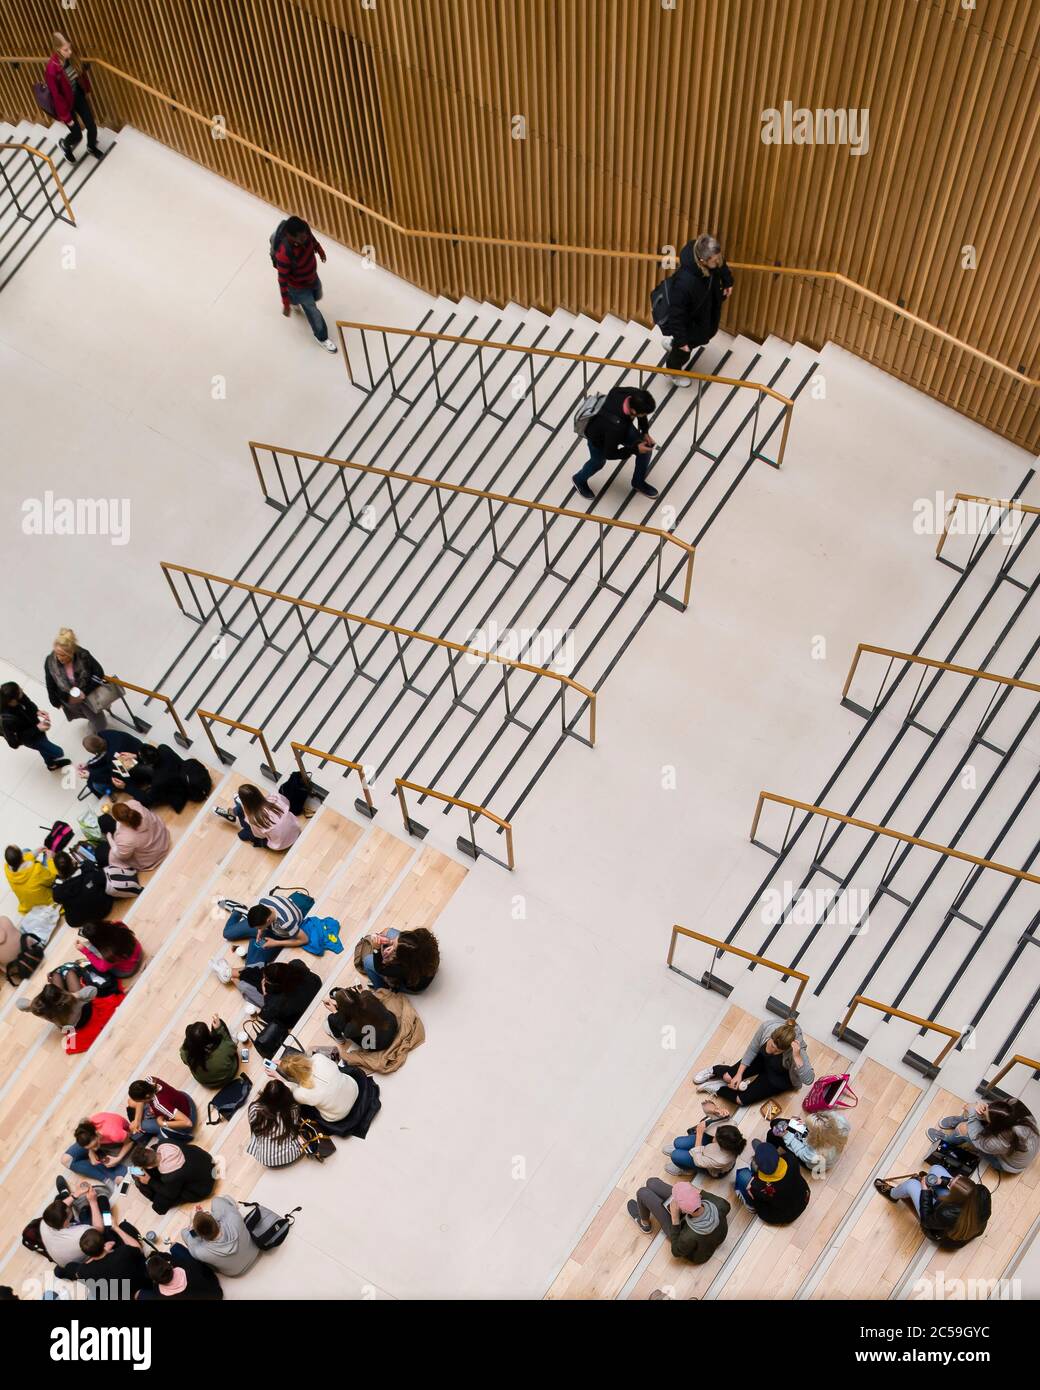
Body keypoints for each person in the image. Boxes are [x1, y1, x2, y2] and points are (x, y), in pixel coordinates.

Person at [659, 234, 734, 376]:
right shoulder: (684, 283)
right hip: (691, 323)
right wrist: (682, 342)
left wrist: (727, 281)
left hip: (705, 312)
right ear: (702, 261)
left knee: (698, 337)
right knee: (683, 351)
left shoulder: (707, 256)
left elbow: (721, 265)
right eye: (715, 260)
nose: (718, 262)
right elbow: (676, 315)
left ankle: (674, 342)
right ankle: (672, 371)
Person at [694, 1018, 814, 1104]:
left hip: (778, 1076)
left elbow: (808, 1080)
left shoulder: (797, 1051)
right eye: (771, 1045)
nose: (772, 1051)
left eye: (778, 1051)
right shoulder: (767, 1027)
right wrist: (739, 1074)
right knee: (728, 1077)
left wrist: (797, 1056)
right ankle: (714, 1070)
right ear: (771, 1035)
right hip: (761, 1059)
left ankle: (717, 1088)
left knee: (740, 1100)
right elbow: (752, 1049)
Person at [571, 387, 659, 500]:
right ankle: (579, 479)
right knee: (598, 462)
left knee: (645, 451)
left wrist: (645, 432)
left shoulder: (631, 394)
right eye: (643, 414)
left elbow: (641, 414)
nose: (644, 415)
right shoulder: (616, 427)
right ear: (633, 411)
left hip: (619, 425)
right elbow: (610, 453)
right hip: (598, 437)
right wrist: (635, 449)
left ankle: (638, 482)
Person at [875, 1165, 991, 1247]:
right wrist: (943, 1182)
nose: (949, 1181)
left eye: (951, 1184)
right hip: (966, 1226)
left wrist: (925, 1191)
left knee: (911, 1184)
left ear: (955, 1195)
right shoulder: (982, 1192)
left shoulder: (945, 1213)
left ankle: (892, 1194)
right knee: (936, 1169)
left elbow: (926, 1220)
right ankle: (934, 1188)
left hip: (941, 1233)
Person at [211, 885, 314, 975]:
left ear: (268, 920)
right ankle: (238, 909)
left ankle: (246, 920)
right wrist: (260, 931)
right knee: (227, 934)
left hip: (277, 935)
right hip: (269, 927)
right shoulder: (264, 901)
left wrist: (275, 943)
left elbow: (304, 940)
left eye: (259, 927)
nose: (258, 929)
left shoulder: (286, 923)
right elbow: (260, 926)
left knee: (252, 965)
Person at [627, 1177, 730, 1264]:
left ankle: (644, 1224)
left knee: (643, 1193)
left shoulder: (687, 1237)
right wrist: (693, 1191)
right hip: (717, 1233)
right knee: (652, 1182)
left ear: (683, 1210)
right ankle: (680, 1199)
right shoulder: (719, 1203)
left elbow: (676, 1251)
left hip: (697, 1250)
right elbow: (727, 1207)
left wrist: (675, 1218)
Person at [274, 216, 337, 353]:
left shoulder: (304, 231)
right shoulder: (284, 254)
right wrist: (285, 304)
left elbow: (312, 240)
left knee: (318, 295)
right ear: (290, 237)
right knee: (312, 310)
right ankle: (322, 337)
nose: (305, 239)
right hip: (298, 286)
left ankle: (293, 300)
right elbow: (282, 280)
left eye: (305, 236)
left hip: (312, 277)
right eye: (301, 239)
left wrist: (320, 250)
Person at [927, 1099, 1039, 1174]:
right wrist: (981, 1108)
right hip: (1017, 1149)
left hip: (1007, 1164)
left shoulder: (1001, 1142)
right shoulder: (1014, 1105)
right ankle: (962, 1121)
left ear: (996, 1126)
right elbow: (993, 1112)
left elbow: (979, 1140)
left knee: (963, 1128)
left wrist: (973, 1112)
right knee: (976, 1110)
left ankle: (944, 1142)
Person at [45, 34, 104, 165]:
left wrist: (87, 90)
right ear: (57, 49)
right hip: (66, 105)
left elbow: (81, 74)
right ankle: (64, 144)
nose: (70, 52)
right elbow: (56, 96)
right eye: (66, 50)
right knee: (77, 135)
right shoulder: (51, 69)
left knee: (92, 126)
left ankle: (91, 147)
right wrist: (66, 117)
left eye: (69, 48)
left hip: (78, 96)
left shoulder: (71, 58)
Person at [55, 1224, 150, 1298]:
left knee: (67, 1267)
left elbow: (81, 1270)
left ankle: (59, 1272)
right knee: (125, 1227)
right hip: (142, 1284)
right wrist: (116, 1227)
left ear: (87, 1254)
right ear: (103, 1243)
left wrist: (99, 1255)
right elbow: (138, 1249)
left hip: (119, 1295)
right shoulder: (123, 1253)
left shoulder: (84, 1272)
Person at [44, 628, 110, 733]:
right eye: (57, 653)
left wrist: (85, 692)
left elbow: (99, 673)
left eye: (62, 655)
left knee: (99, 721)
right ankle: (92, 724)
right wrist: (55, 701)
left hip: (87, 695)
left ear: (71, 652)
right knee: (82, 714)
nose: (58, 658)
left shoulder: (83, 655)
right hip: (69, 698)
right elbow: (50, 682)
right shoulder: (50, 661)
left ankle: (100, 736)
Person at [734, 1139, 811, 1225]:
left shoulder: (758, 1187)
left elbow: (756, 1195)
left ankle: (750, 1206)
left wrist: (752, 1186)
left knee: (742, 1175)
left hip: (782, 1215)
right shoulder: (790, 1159)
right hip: (803, 1197)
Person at [127, 1141, 216, 1215]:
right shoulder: (164, 1142)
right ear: (149, 1148)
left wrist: (150, 1181)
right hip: (207, 1161)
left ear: (149, 1167)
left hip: (204, 1187)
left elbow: (170, 1193)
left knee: (158, 1206)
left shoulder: (169, 1177)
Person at [233, 956, 321, 1029]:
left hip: (292, 1018)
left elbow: (265, 1016)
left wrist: (265, 995)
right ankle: (231, 973)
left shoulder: (274, 1003)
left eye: (266, 980)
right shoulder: (298, 966)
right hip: (308, 993)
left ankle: (230, 975)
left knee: (244, 986)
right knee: (256, 971)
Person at [121, 742, 212, 812]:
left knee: (144, 796)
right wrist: (136, 757)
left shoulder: (158, 781)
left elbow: (147, 800)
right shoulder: (164, 749)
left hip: (179, 789)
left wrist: (126, 787)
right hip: (178, 771)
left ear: (147, 763)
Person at [180, 1198, 260, 1277]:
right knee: (217, 1201)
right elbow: (221, 1213)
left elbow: (192, 1240)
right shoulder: (234, 1219)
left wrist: (191, 1224)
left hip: (236, 1272)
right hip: (254, 1249)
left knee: (184, 1233)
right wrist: (208, 1215)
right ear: (215, 1220)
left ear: (199, 1235)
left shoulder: (200, 1252)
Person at [0, 681, 70, 770]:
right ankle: (51, 763)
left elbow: (27, 702)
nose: (22, 690)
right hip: (30, 739)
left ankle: (51, 765)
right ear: (13, 700)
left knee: (44, 748)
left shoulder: (16, 696)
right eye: (20, 691)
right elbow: (14, 742)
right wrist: (37, 728)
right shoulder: (7, 720)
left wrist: (36, 711)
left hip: (35, 726)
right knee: (58, 752)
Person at [277, 1049, 358, 1123]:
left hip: (340, 1114)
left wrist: (279, 1077)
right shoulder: (319, 1058)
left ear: (292, 1076)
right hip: (354, 1088)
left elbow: (291, 1088)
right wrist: (289, 1063)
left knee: (306, 1109)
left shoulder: (301, 1094)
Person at [213, 784, 301, 851]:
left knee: (242, 834)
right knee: (243, 815)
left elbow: (259, 836)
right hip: (296, 829)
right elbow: (287, 803)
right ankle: (236, 809)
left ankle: (235, 811)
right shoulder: (275, 797)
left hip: (281, 845)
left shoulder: (254, 820)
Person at [39, 1179, 106, 1264]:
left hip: (63, 1257)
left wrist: (75, 1195)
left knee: (58, 1200)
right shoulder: (81, 1232)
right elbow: (99, 1229)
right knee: (103, 1202)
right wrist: (93, 1201)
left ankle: (64, 1193)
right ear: (65, 1223)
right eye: (69, 1210)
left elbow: (62, 1206)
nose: (68, 1206)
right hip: (86, 1257)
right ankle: (109, 1220)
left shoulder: (44, 1222)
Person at [16, 963, 99, 1032]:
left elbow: (19, 1003)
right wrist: (74, 995)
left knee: (55, 975)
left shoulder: (40, 1008)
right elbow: (93, 990)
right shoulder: (74, 998)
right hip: (84, 1015)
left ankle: (59, 974)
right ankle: (66, 973)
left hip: (66, 1026)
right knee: (69, 973)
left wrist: (33, 1002)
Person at [96, 798, 171, 873]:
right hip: (162, 838)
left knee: (101, 850)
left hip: (153, 858)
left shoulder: (125, 838)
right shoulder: (135, 804)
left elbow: (122, 856)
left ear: (119, 820)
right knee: (104, 820)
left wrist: (109, 837)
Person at [355, 927, 439, 993]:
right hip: (421, 967)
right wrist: (394, 945)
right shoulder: (424, 943)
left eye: (394, 950)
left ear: (402, 958)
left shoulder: (403, 968)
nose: (391, 942)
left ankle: (382, 990)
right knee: (388, 931)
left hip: (415, 985)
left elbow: (380, 969)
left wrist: (376, 950)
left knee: (367, 961)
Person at [246, 1080, 305, 1167]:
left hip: (265, 1160)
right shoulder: (293, 1108)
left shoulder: (255, 1108)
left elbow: (254, 1129)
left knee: (257, 1131)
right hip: (293, 1154)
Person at [62, 1112, 134, 1181]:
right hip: (96, 1139)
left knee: (120, 1179)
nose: (95, 1149)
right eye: (90, 1147)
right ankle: (106, 1179)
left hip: (120, 1141)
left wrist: (118, 1158)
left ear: (97, 1133)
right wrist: (91, 1152)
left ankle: (109, 1178)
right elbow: (90, 1143)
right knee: (66, 1160)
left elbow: (131, 1140)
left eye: (95, 1145)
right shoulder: (86, 1126)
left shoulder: (115, 1134)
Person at [51, 849, 113, 929]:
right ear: (72, 861)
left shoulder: (57, 890)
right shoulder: (87, 867)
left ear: (58, 870)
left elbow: (57, 900)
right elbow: (103, 879)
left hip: (79, 921)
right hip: (103, 909)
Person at [662, 1120, 747, 1178]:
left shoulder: (721, 1160)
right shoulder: (731, 1127)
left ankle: (687, 1170)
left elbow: (698, 1161)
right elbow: (713, 1119)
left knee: (675, 1155)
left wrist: (699, 1134)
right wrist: (715, 1111)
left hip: (710, 1167)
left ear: (720, 1144)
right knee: (678, 1142)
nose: (714, 1136)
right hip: (708, 1149)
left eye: (716, 1137)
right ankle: (682, 1151)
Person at [137, 1245, 223, 1301]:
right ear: (170, 1265)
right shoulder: (187, 1265)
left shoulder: (159, 1293)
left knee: (138, 1293)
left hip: (128, 1284)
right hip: (215, 1293)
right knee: (175, 1247)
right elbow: (138, 1248)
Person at [127, 1075, 197, 1142]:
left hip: (189, 1118)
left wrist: (163, 1123)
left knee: (144, 1125)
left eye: (140, 1100)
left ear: (147, 1096)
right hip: (185, 1098)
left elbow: (188, 1123)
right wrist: (137, 1121)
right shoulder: (149, 1080)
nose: (139, 1102)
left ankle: (180, 1136)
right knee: (131, 1101)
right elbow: (141, 1100)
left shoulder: (158, 1104)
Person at [79, 730, 145, 799]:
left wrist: (91, 776)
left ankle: (109, 793)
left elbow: (119, 777)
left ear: (94, 752)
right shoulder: (105, 733)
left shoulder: (115, 758)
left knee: (96, 785)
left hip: (139, 768)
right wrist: (88, 764)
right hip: (140, 748)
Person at [180, 1016, 240, 1088]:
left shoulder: (184, 1053)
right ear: (208, 1036)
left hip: (206, 1083)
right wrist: (219, 1028)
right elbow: (232, 1047)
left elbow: (186, 1048)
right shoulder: (223, 1049)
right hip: (227, 1076)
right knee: (221, 1024)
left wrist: (192, 1037)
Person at [75, 919, 142, 978]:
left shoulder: (109, 955)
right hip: (138, 951)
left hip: (129, 970)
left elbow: (102, 968)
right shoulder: (118, 925)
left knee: (92, 950)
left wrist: (85, 951)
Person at [4, 845, 57, 914]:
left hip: (28, 907)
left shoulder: (7, 869)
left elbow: (23, 859)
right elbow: (52, 879)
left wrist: (36, 851)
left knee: (25, 850)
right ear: (21, 856)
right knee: (47, 855)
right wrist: (50, 859)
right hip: (45, 903)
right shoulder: (36, 869)